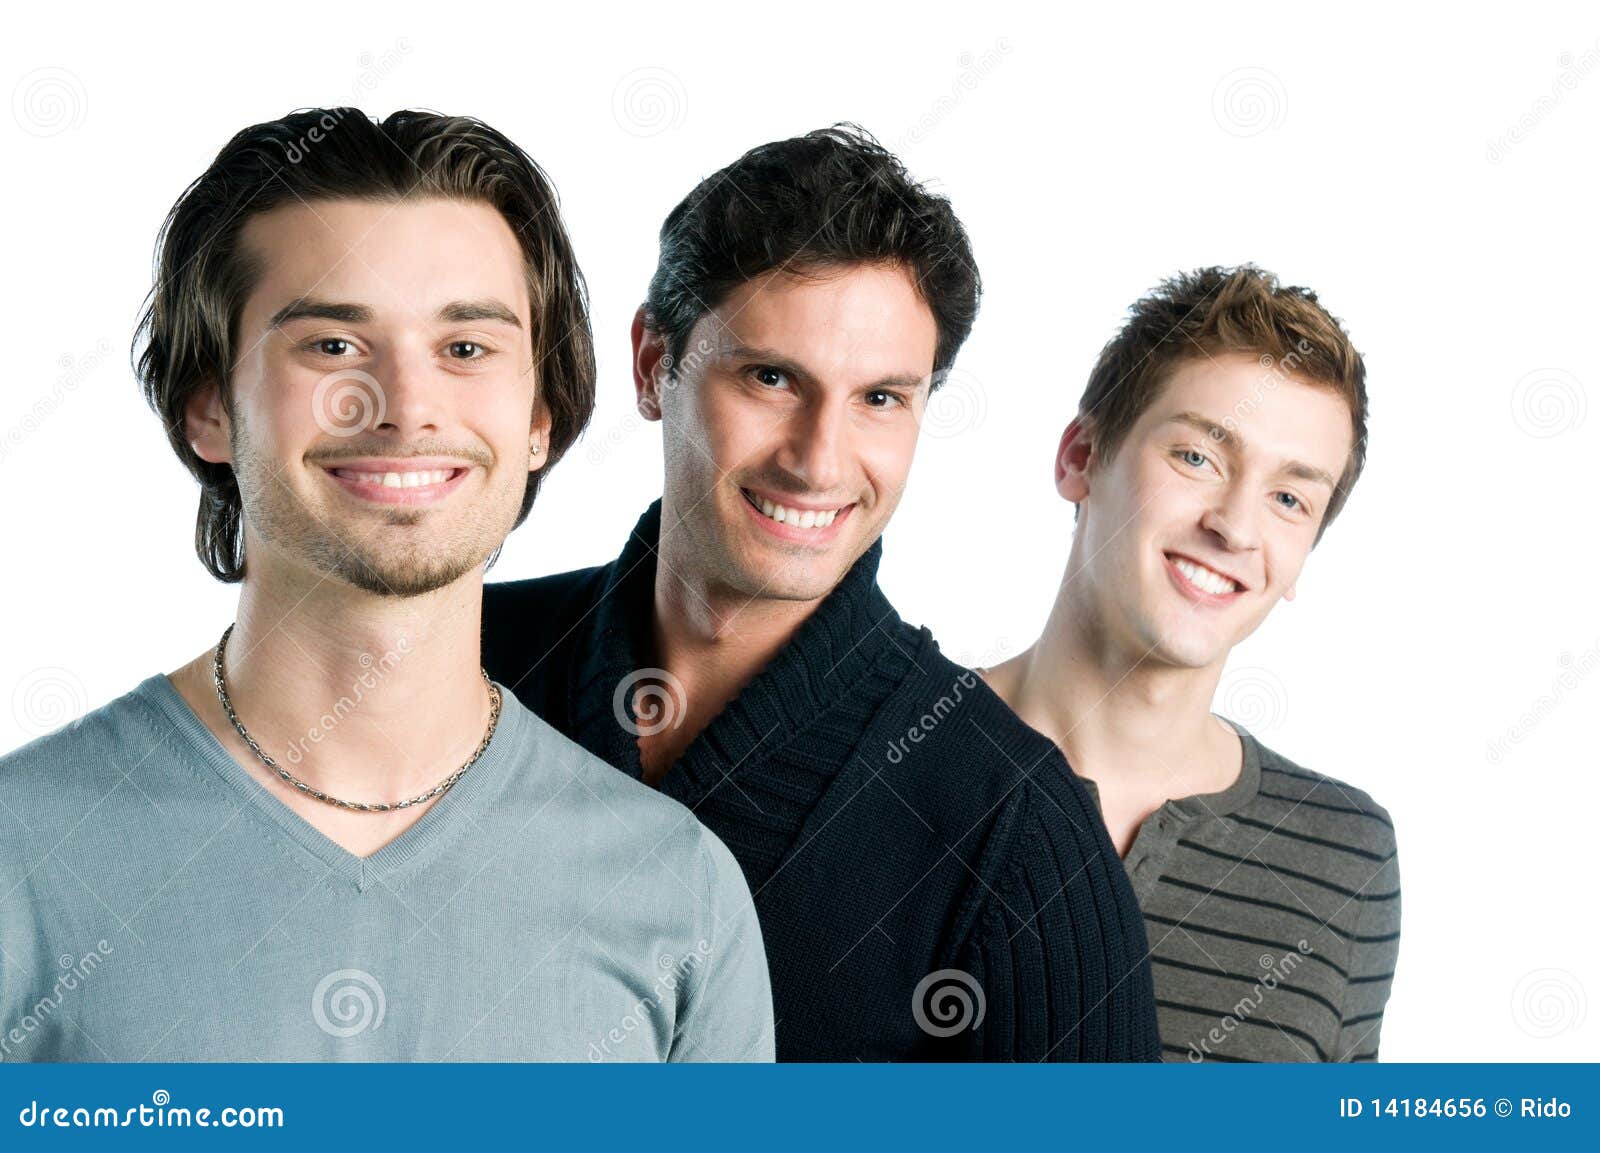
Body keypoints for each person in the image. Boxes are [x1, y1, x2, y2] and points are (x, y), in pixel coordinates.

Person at [0, 108, 773, 1063]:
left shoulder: (677, 889)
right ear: (208, 406)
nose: (406, 408)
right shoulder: (22, 856)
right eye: (332, 345)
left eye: (466, 349)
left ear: (539, 415)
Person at [482, 126, 1160, 1061]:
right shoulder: (464, 660)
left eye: (880, 398)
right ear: (651, 365)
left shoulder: (1014, 831)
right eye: (770, 378)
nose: (818, 460)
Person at [981, 266, 1401, 1062]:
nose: (1235, 527)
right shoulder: (880, 757)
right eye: (1198, 456)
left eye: (1290, 499)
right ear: (1081, 456)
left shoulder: (1346, 858)